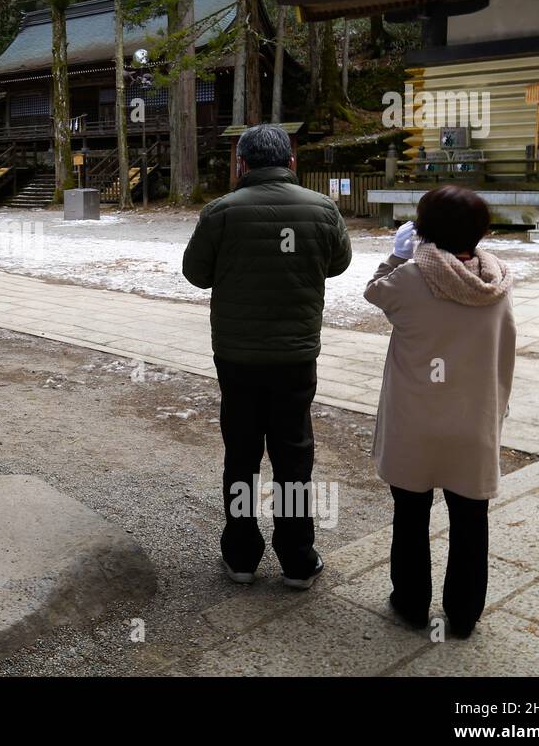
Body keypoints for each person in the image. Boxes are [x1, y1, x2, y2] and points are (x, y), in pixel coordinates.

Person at [182, 123, 352, 590]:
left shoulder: (221, 212)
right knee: (293, 456)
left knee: (241, 453)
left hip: (236, 356)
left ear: (243, 163)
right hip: (295, 355)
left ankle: (241, 555)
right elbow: (338, 263)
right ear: (291, 160)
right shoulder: (322, 209)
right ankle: (298, 557)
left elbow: (195, 273)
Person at [364, 187, 514, 638]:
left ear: (422, 230)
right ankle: (464, 613)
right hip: (473, 420)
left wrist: (395, 256)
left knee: (411, 514)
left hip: (416, 421)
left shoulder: (409, 279)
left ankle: (410, 603)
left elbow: (374, 292)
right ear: (483, 231)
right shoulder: (498, 281)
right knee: (471, 520)